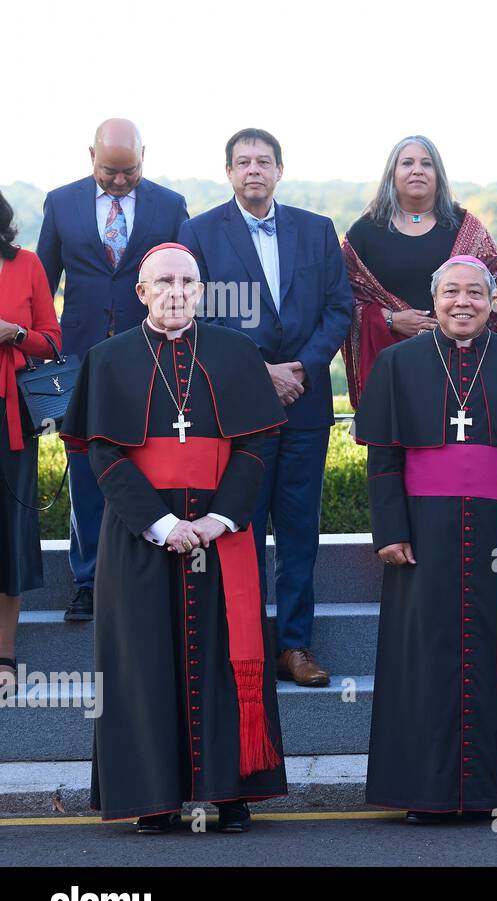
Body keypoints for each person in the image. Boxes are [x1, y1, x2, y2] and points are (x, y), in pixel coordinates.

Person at [60, 242, 288, 832]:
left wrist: (221, 519)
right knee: (143, 662)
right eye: (163, 282)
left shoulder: (237, 354)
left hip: (222, 532)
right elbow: (105, 455)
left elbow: (256, 445)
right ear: (142, 293)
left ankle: (230, 792)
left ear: (201, 290)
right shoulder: (108, 360)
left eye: (187, 281)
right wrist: (162, 526)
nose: (177, 291)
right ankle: (152, 797)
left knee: (224, 657)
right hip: (139, 535)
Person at [354, 256, 497, 822]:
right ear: (436, 299)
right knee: (424, 656)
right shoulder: (398, 364)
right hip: (423, 534)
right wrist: (391, 531)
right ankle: (426, 790)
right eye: (451, 292)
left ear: (494, 301)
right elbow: (383, 460)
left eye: (475, 292)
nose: (462, 302)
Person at [179, 128, 353, 688]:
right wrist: (260, 371)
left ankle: (295, 646)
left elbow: (339, 307)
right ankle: (246, 647)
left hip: (305, 402)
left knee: (300, 529)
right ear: (228, 172)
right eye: (243, 162)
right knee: (241, 528)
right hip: (239, 407)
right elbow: (197, 317)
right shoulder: (199, 233)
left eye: (264, 161)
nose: (254, 170)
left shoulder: (318, 229)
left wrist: (302, 367)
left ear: (280, 169)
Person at [36, 118, 189, 623]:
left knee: (148, 464)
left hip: (152, 357)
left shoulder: (170, 206)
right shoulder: (60, 203)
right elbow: (44, 281)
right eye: (109, 172)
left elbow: (185, 282)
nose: (120, 181)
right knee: (85, 469)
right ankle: (88, 581)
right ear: (90, 156)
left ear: (144, 156)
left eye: (130, 171)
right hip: (80, 360)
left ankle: (146, 574)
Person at [342, 136, 497, 408]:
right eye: (407, 163)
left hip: (459, 364)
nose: (417, 170)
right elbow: (343, 301)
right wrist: (389, 320)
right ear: (392, 174)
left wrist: (455, 320)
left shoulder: (466, 226)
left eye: (427, 164)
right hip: (391, 365)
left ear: (438, 175)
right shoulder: (363, 234)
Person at [0, 192, 63, 698]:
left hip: (11, 418)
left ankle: (5, 654)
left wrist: (14, 332)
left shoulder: (27, 264)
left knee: (10, 532)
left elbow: (52, 341)